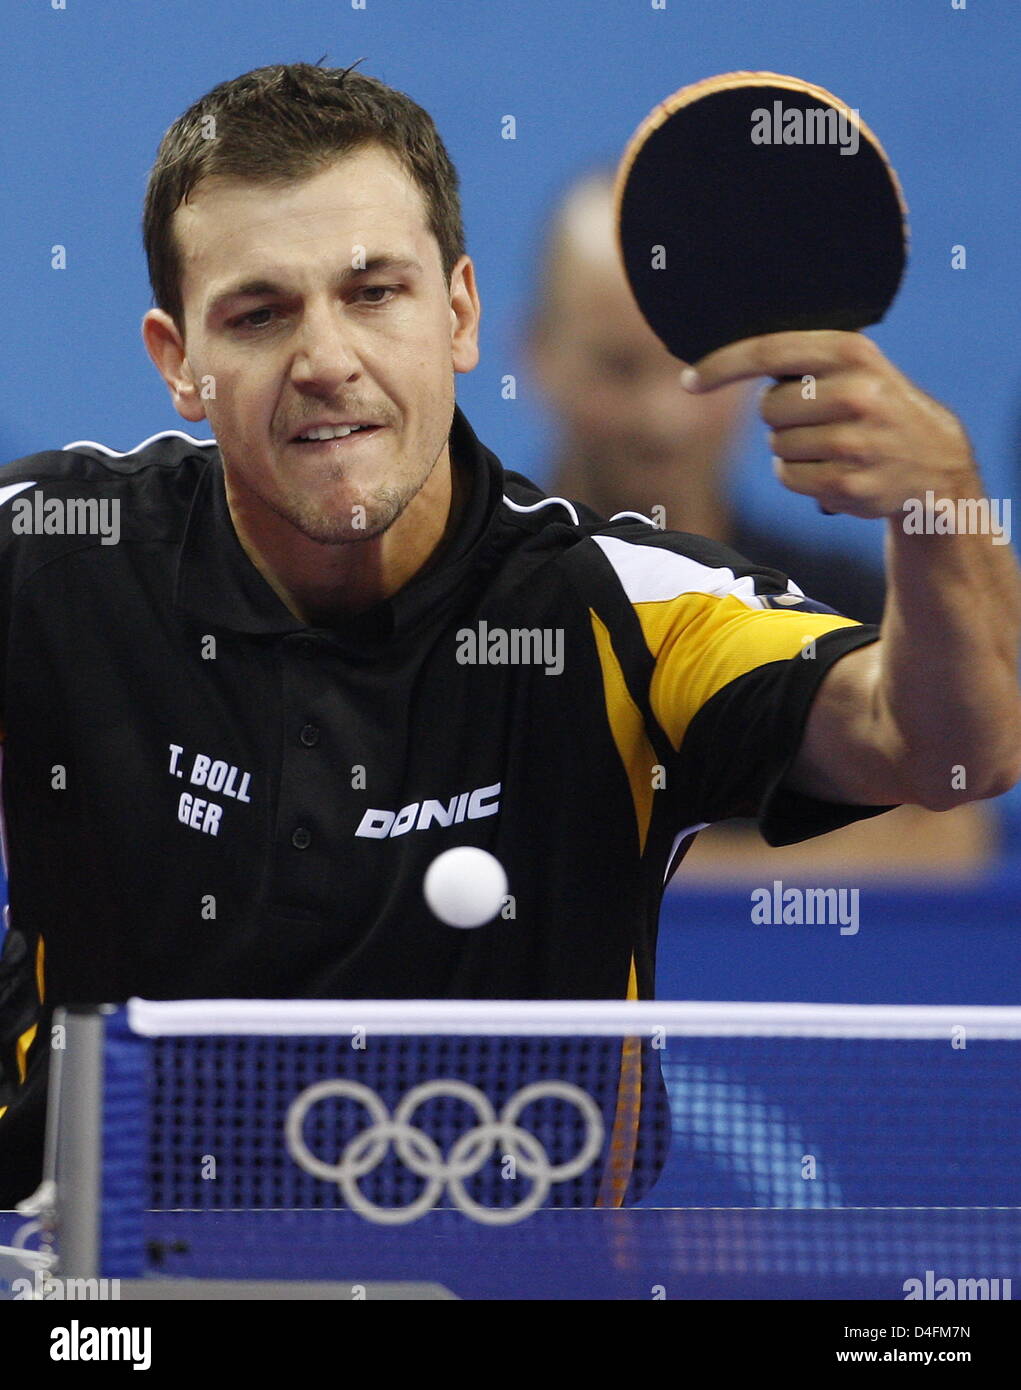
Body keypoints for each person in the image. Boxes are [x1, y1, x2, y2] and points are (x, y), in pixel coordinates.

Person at [1, 60, 1019, 1204]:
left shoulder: (620, 605)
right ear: (179, 360)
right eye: (258, 312)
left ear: (460, 314)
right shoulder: (56, 557)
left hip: (518, 1272)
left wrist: (945, 512)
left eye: (373, 291)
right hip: (105, 1286)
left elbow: (949, 749)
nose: (326, 358)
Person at [524, 168, 995, 878]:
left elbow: (948, 827)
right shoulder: (466, 591)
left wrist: (943, 500)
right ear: (534, 356)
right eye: (617, 368)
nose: (664, 420)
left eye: (693, 367)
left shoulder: (845, 604)